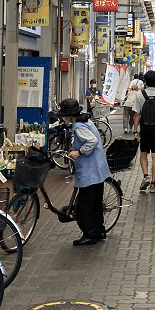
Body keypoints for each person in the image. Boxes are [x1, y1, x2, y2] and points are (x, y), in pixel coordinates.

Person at [59, 98, 111, 246]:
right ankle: (100, 231)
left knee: (85, 206)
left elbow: (92, 141)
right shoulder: (86, 120)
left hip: (90, 170)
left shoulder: (79, 126)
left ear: (68, 115)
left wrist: (79, 152)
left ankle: (89, 234)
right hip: (98, 168)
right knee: (95, 204)